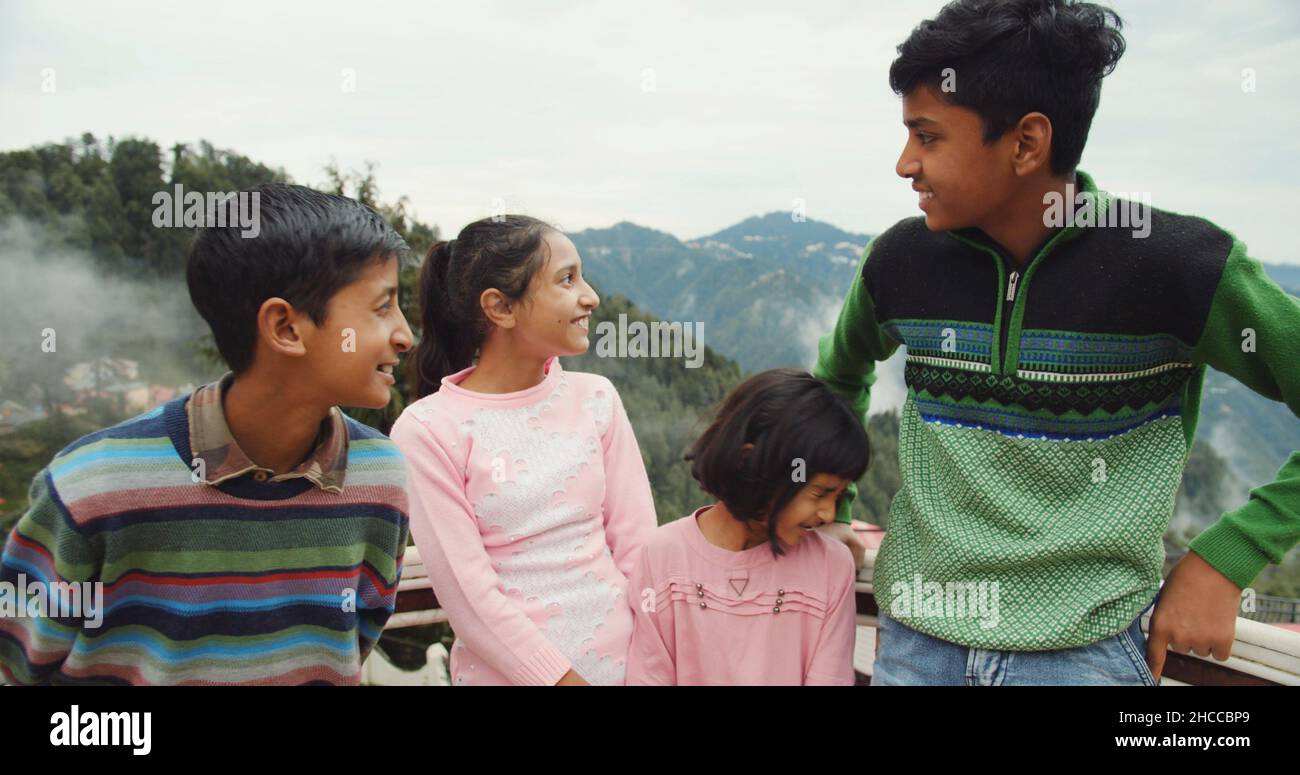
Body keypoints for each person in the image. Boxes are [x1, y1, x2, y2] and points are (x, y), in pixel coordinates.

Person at [815, 0, 1300, 684]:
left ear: (1026, 142)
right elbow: (835, 381)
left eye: (927, 137)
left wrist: (1225, 559)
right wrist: (826, 505)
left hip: (1085, 657)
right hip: (915, 648)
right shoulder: (900, 262)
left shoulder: (1178, 269)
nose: (904, 164)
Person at [0, 183, 413, 685]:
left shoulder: (379, 475)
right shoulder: (94, 488)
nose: (405, 334)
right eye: (383, 306)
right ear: (285, 327)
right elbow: (19, 663)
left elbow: (356, 635)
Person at [390, 215, 658, 685]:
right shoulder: (427, 430)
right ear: (500, 307)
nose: (591, 296)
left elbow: (638, 549)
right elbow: (471, 599)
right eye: (567, 279)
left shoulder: (597, 399)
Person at [626, 369, 867, 685]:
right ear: (752, 463)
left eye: (838, 496)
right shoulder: (661, 558)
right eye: (820, 493)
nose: (828, 513)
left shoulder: (831, 569)